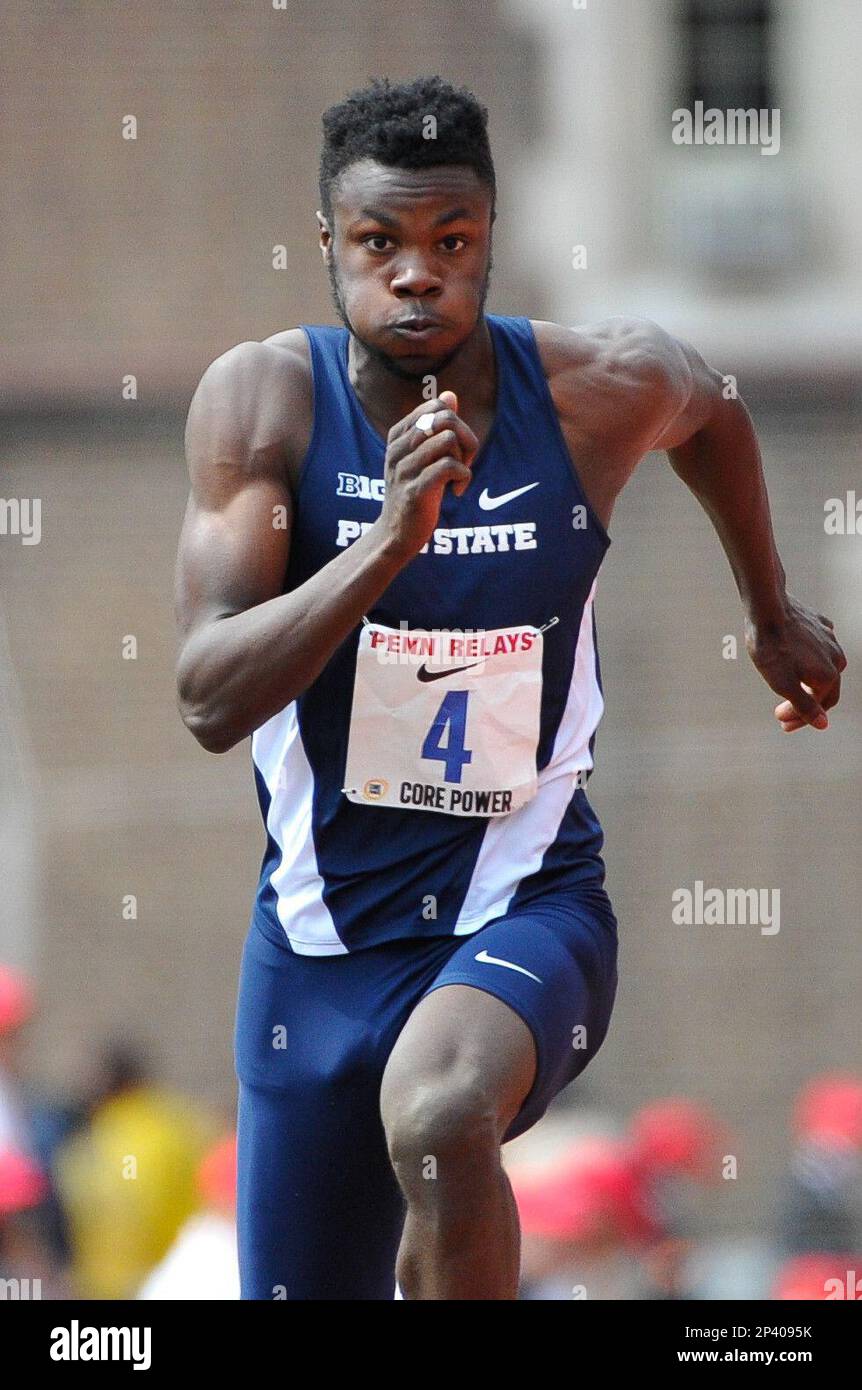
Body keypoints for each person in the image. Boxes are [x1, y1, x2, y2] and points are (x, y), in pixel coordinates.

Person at [174, 75, 846, 1300]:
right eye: (381, 244)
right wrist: (386, 542)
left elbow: (710, 410)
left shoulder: (594, 389)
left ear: (492, 242)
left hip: (523, 909)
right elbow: (209, 697)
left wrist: (768, 609)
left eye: (452, 243)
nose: (417, 275)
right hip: (315, 958)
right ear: (329, 245)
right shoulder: (265, 401)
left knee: (438, 1116)